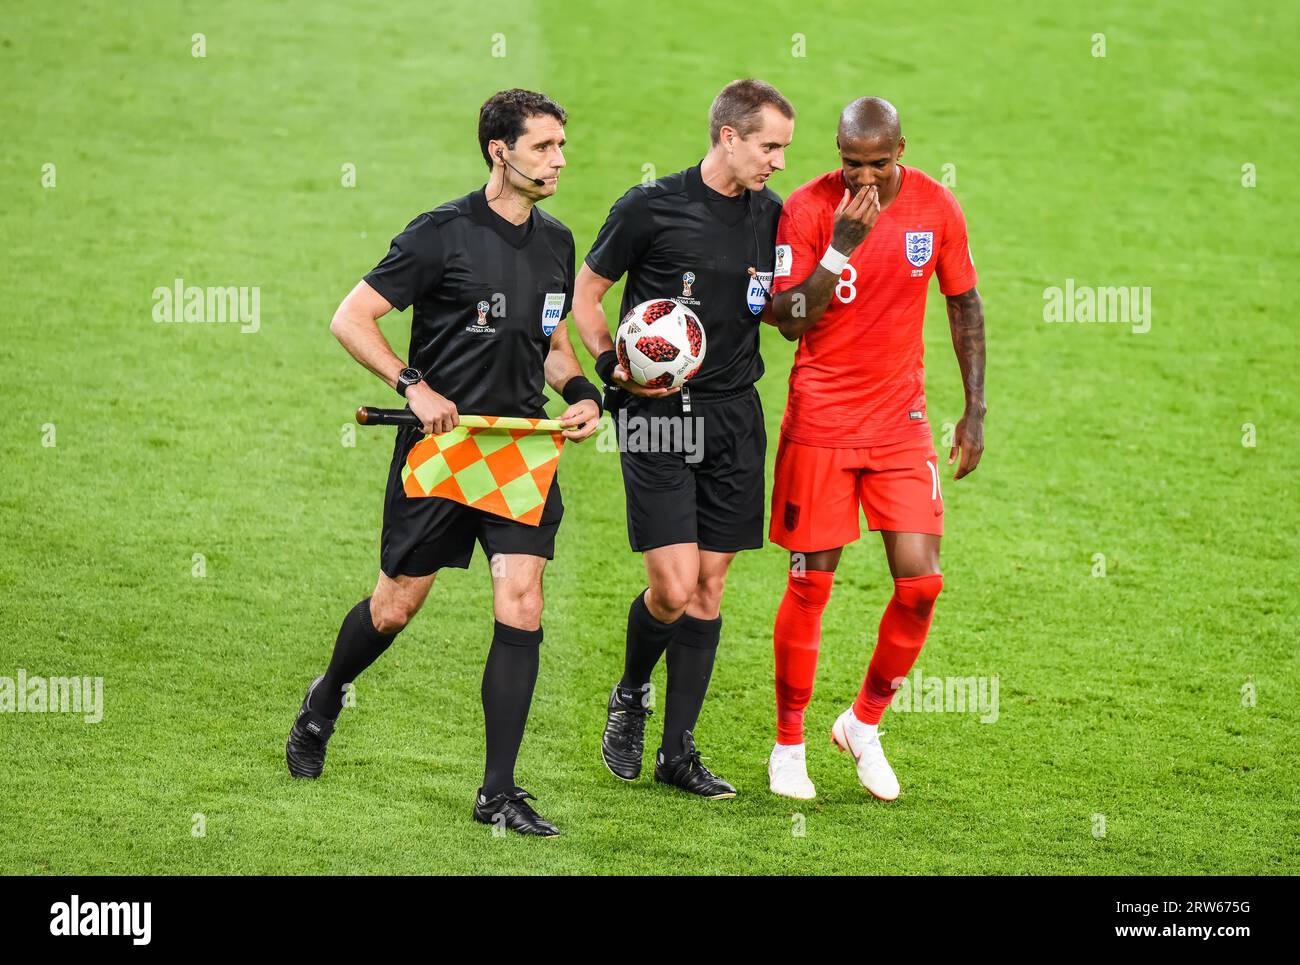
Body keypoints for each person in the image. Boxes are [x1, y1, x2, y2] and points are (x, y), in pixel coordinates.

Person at [285, 89, 601, 837]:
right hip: (444, 450)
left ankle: (498, 791)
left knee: (521, 600)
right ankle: (325, 699)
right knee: (395, 606)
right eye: (544, 147)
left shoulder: (557, 242)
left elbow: (554, 349)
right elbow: (350, 317)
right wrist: (412, 384)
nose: (559, 159)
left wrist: (583, 393)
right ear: (501, 152)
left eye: (561, 146)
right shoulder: (441, 234)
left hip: (520, 449)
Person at [573, 79, 794, 798]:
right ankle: (632, 691)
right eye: (769, 146)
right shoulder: (650, 206)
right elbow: (585, 296)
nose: (778, 162)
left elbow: (789, 309)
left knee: (710, 588)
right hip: (659, 416)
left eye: (784, 149)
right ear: (728, 137)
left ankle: (677, 751)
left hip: (734, 416)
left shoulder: (773, 218)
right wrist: (612, 367)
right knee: (671, 587)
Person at [766, 96, 986, 801]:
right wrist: (839, 249)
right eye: (850, 164)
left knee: (921, 583)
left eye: (879, 164)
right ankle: (789, 743)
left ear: (902, 150)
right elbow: (788, 321)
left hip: (900, 423)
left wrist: (975, 408)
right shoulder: (805, 210)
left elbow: (964, 302)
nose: (863, 179)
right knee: (811, 584)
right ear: (837, 153)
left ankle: (863, 722)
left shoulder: (935, 207)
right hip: (821, 423)